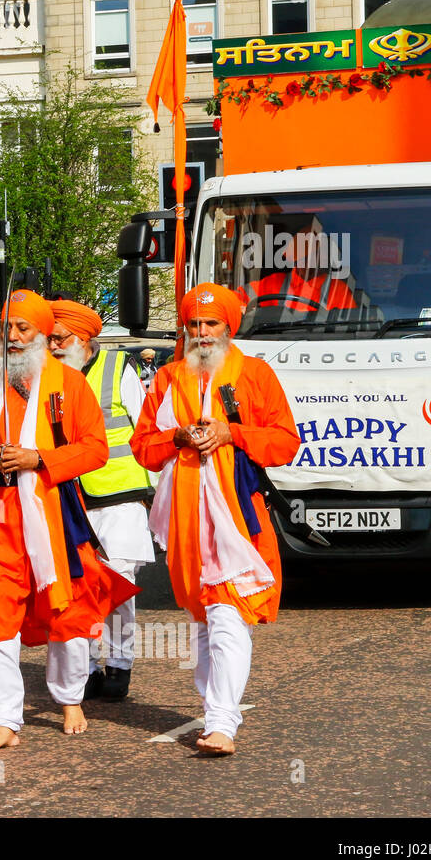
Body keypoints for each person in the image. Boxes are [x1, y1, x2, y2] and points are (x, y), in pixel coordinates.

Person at [0, 290, 139, 751]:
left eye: (23, 328)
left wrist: (37, 458)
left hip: (52, 517)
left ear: (44, 336)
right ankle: (3, 719)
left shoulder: (69, 383)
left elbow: (94, 449)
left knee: (67, 614)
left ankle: (69, 697)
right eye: (7, 328)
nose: (13, 336)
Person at [130, 282, 300, 755]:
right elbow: (144, 447)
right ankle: (214, 713)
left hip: (238, 518)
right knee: (204, 619)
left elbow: (285, 443)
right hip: (184, 519)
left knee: (229, 613)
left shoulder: (256, 374)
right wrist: (179, 436)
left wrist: (232, 432)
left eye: (211, 324)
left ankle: (223, 721)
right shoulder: (167, 378)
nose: (202, 333)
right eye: (194, 325)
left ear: (229, 327)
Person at [49, 300, 155, 702]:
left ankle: (121, 665)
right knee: (81, 587)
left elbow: (144, 426)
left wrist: (154, 493)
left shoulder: (117, 367)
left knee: (120, 586)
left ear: (84, 337)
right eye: (51, 337)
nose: (54, 345)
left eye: (61, 338)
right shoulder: (50, 375)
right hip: (70, 497)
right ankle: (89, 667)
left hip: (120, 496)